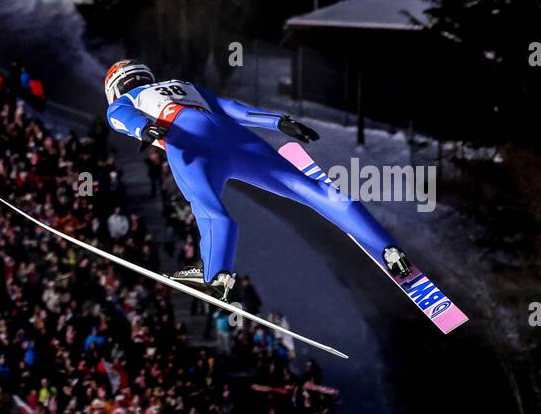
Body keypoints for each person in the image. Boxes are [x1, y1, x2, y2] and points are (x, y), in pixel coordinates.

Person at [103, 59, 409, 303]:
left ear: (116, 88)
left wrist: (144, 129)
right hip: (235, 138)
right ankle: (388, 249)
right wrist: (279, 122)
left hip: (189, 143)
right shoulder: (182, 85)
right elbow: (233, 108)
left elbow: (119, 117)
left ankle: (218, 275)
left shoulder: (126, 99)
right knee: (313, 190)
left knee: (210, 210)